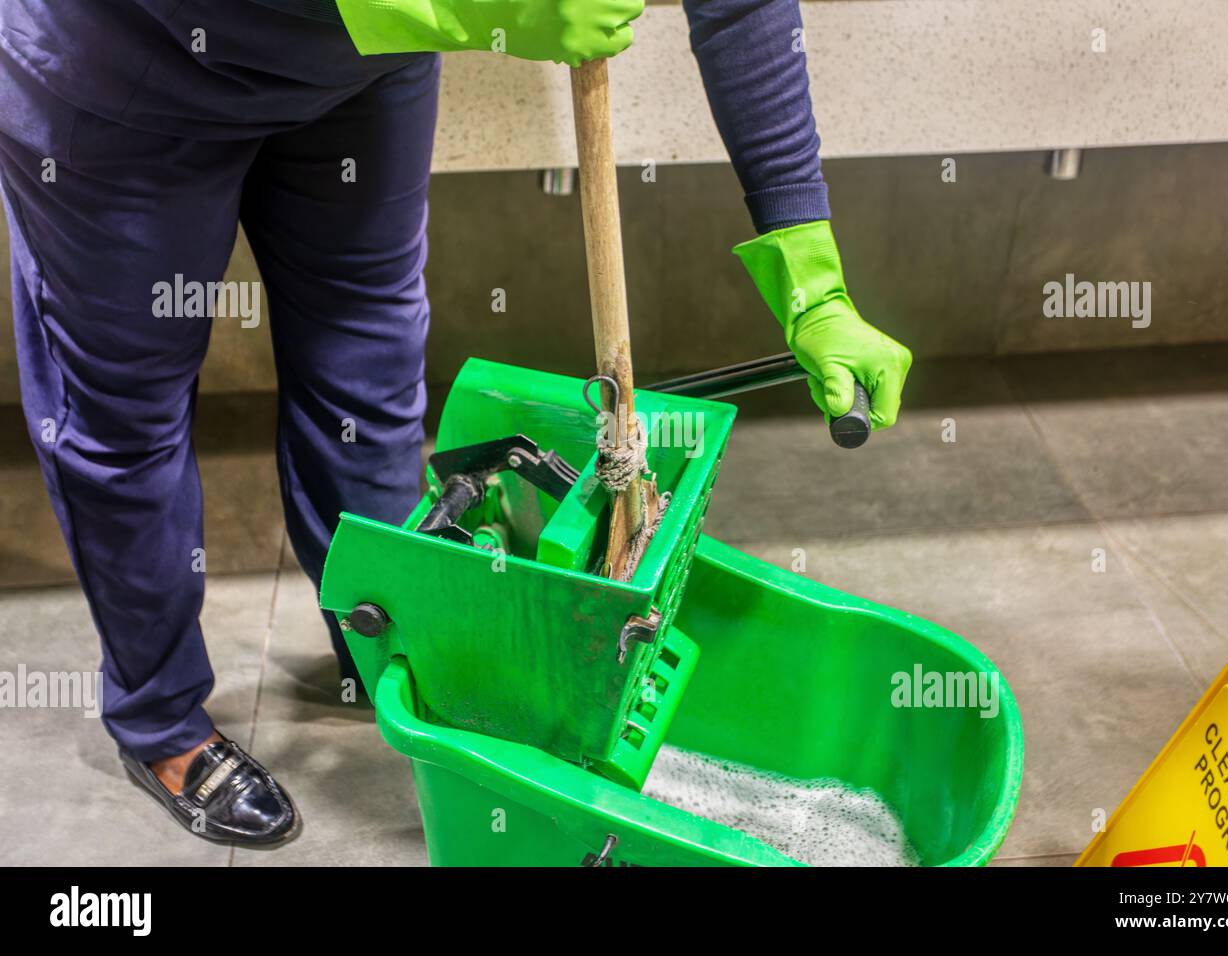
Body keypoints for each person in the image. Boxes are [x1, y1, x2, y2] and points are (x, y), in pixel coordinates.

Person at [0, 0, 912, 847]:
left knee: (368, 360)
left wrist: (808, 273)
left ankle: (373, 631)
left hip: (363, 62)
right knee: (124, 416)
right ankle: (159, 720)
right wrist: (486, 11)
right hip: (134, 65)